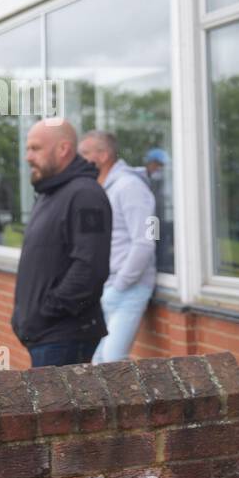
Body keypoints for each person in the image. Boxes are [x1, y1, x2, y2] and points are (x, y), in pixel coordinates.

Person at [11, 120, 111, 367]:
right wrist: (22, 316)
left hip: (65, 337)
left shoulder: (85, 195)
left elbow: (90, 268)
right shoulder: (49, 193)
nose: (27, 157)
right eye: (27, 149)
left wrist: (47, 312)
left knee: (60, 407)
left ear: (63, 149)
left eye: (35, 148)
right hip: (45, 336)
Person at [78, 130, 156, 363]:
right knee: (98, 362)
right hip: (108, 287)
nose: (79, 159)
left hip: (128, 289)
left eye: (84, 153)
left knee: (111, 362)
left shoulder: (130, 186)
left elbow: (145, 240)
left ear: (102, 155)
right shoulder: (104, 187)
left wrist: (121, 285)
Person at [143, 147, 174, 272]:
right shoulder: (165, 176)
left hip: (157, 220)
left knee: (158, 246)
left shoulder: (157, 178)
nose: (149, 167)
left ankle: (160, 267)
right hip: (158, 219)